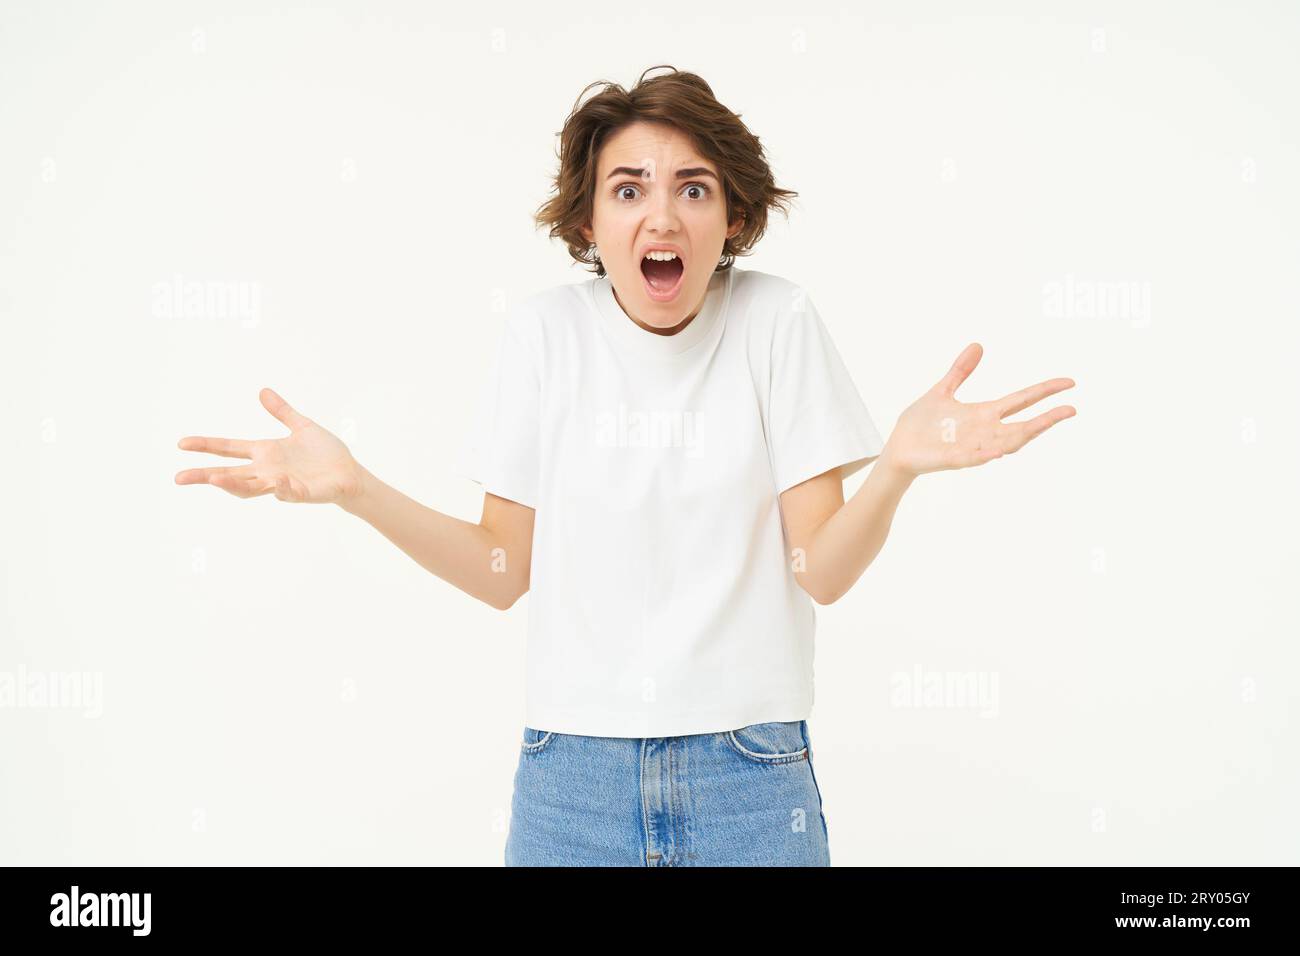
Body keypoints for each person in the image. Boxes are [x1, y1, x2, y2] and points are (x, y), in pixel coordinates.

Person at [174, 66, 1076, 866]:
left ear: (734, 216)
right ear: (587, 219)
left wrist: (898, 469)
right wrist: (356, 491)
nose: (662, 214)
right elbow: (501, 571)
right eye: (628, 188)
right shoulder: (544, 335)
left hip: (752, 779)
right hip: (572, 784)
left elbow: (823, 572)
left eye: (694, 188)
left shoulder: (778, 322)